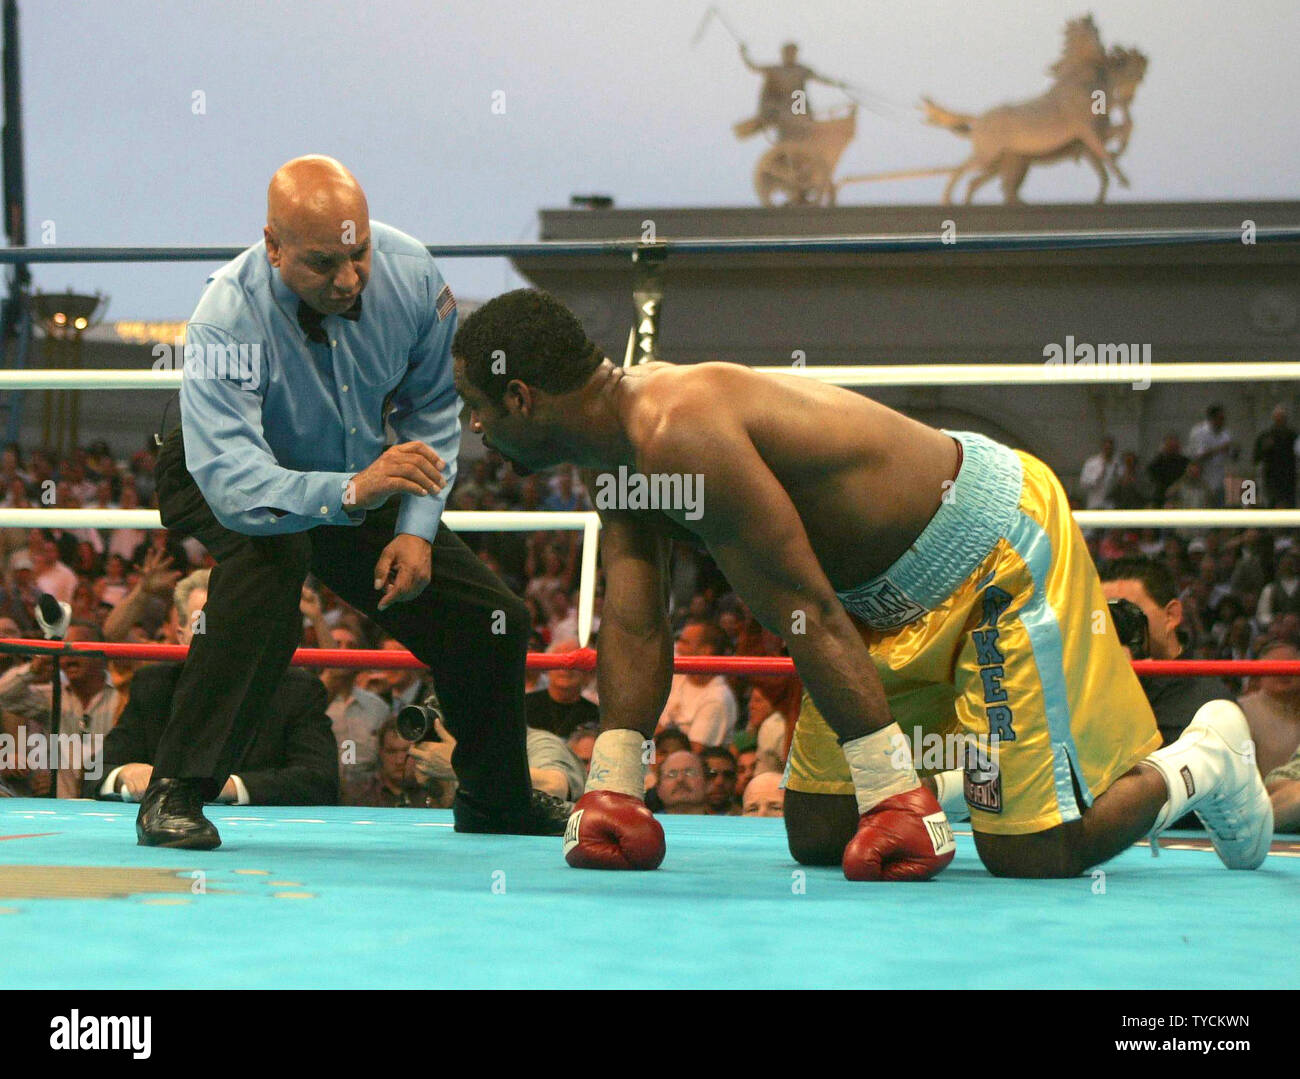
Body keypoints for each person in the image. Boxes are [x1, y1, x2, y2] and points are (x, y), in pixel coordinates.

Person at [452, 288, 1272, 880]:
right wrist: (614, 790)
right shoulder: (616, 456)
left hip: (989, 552)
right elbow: (633, 625)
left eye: (475, 407)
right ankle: (969, 780)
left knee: (1033, 853)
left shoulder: (679, 431)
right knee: (817, 832)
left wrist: (895, 795)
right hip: (871, 604)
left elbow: (801, 609)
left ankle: (1204, 756)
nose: (473, 428)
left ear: (521, 398)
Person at [136, 156, 565, 849]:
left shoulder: (414, 276)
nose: (348, 279)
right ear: (272, 246)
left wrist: (418, 529)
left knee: (490, 616)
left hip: (349, 470)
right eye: (322, 264)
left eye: (357, 253)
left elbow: (431, 409)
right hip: (223, 469)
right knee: (270, 566)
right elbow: (234, 481)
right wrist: (350, 492)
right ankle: (175, 790)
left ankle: (495, 799)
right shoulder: (224, 318)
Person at [93, 570, 338, 805]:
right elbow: (93, 773)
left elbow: (320, 781)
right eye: (204, 623)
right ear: (182, 635)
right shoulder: (153, 686)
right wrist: (125, 774)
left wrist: (228, 787)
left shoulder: (296, 690)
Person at [1098, 557, 1233, 745]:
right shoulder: (1088, 686)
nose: (1113, 626)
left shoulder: (1211, 703)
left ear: (1171, 615)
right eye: (1105, 615)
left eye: (1125, 613)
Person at [1187, 404, 1236, 508]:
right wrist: (1219, 449)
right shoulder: (1199, 432)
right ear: (1212, 418)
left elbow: (1232, 456)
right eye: (1220, 418)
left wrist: (1234, 451)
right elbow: (1197, 457)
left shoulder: (1226, 434)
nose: (1223, 421)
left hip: (1219, 480)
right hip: (1202, 482)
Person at [1253, 405, 1297, 508]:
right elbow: (1256, 458)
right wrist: (1264, 448)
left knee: (1288, 507)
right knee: (1272, 506)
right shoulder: (1265, 436)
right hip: (1271, 479)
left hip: (1288, 478)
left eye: (1282, 418)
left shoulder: (1293, 436)